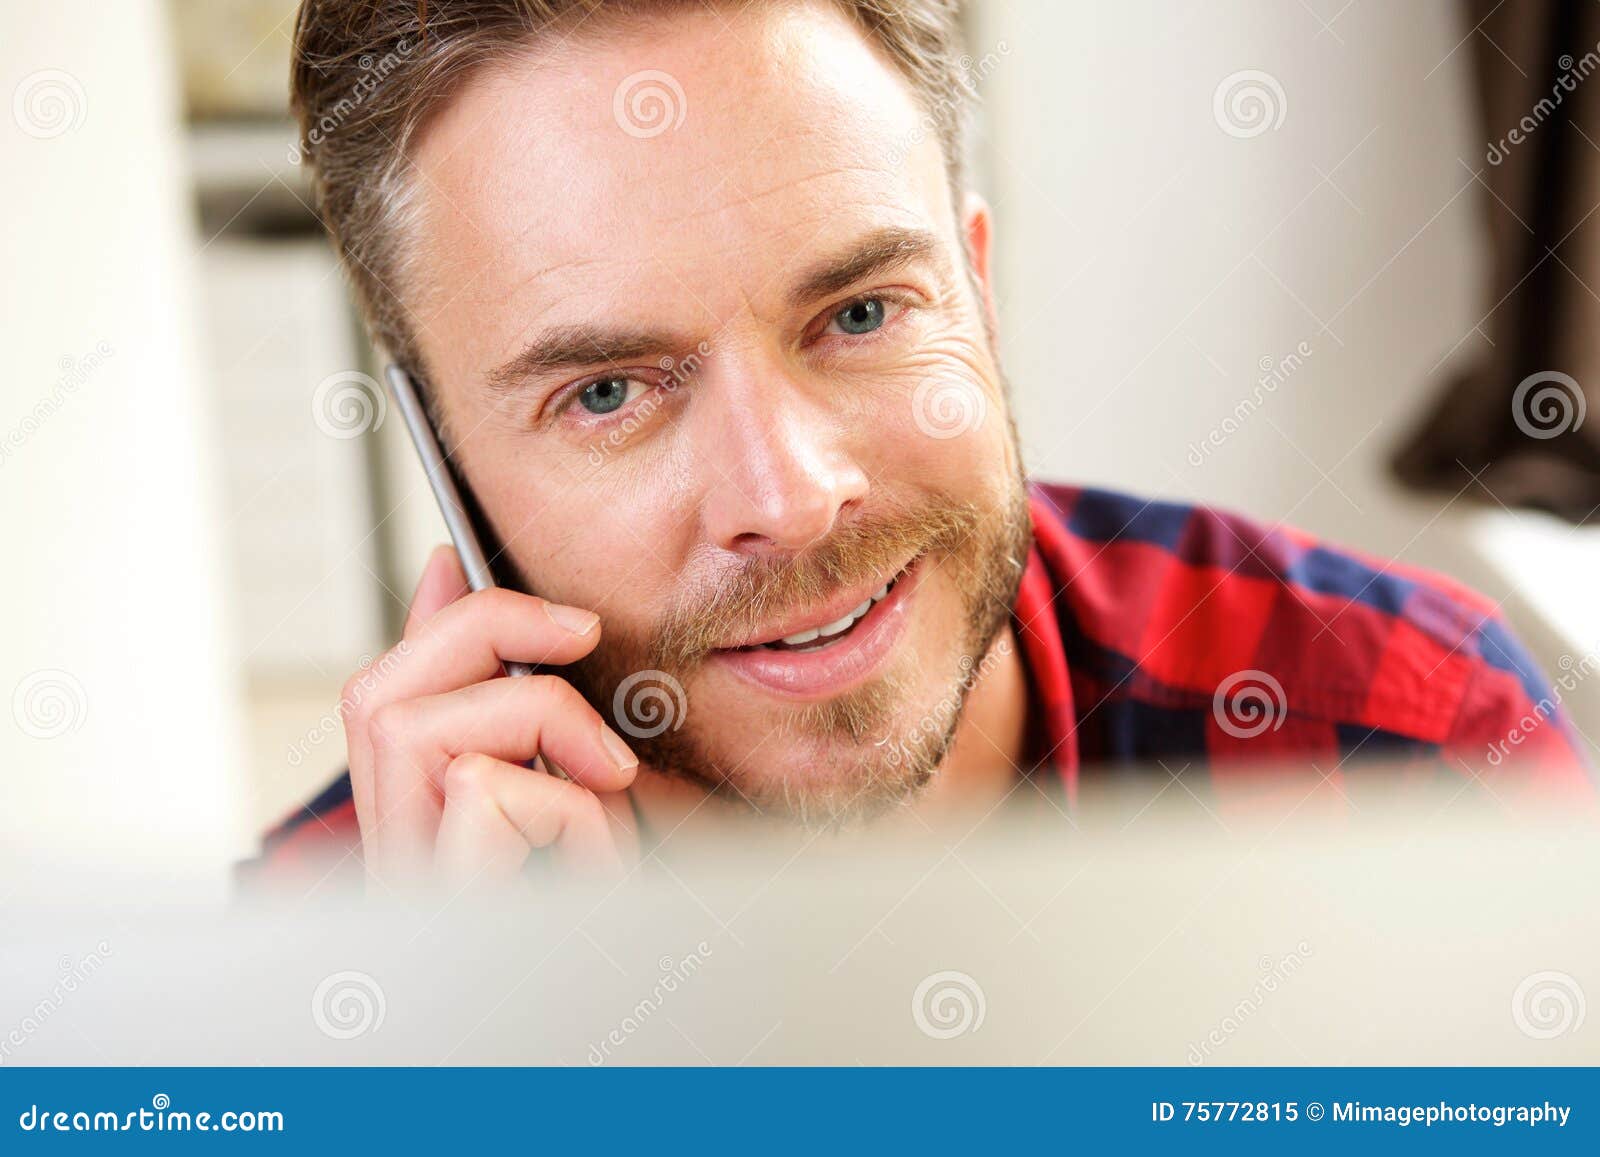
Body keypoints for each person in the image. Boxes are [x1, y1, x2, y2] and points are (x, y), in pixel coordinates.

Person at [253, 0, 1591, 889]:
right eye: (606, 392)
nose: (790, 496)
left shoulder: (1413, 752)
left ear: (978, 290)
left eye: (859, 312)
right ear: (445, 460)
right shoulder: (309, 982)